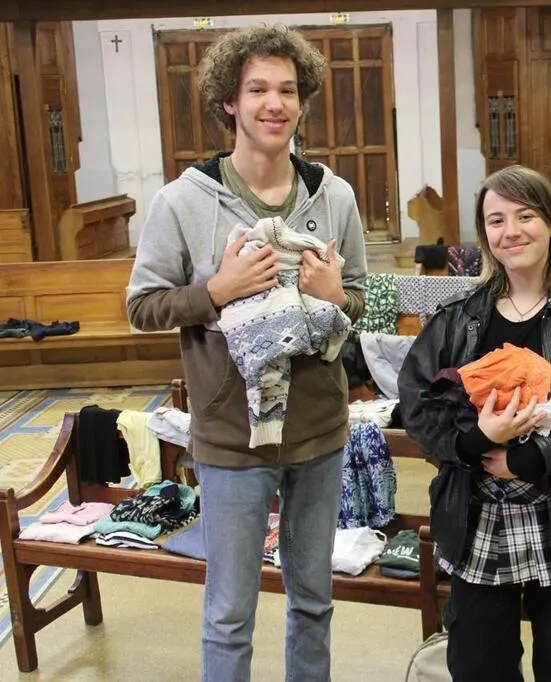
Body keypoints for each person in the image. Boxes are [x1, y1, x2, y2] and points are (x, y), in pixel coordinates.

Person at [126, 25, 367, 681]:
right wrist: (216, 291)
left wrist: (336, 295)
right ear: (229, 100)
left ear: (302, 100)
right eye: (257, 88)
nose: (274, 103)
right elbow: (142, 305)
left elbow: (363, 298)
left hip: (319, 431)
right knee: (229, 616)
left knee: (313, 605)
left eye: (287, 90)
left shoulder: (333, 195)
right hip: (233, 439)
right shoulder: (182, 201)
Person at [397, 165, 551, 682]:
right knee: (479, 668)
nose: (510, 231)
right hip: (477, 518)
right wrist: (479, 441)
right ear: (485, 235)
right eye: (496, 220)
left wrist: (523, 458)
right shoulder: (458, 313)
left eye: (525, 215)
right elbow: (417, 402)